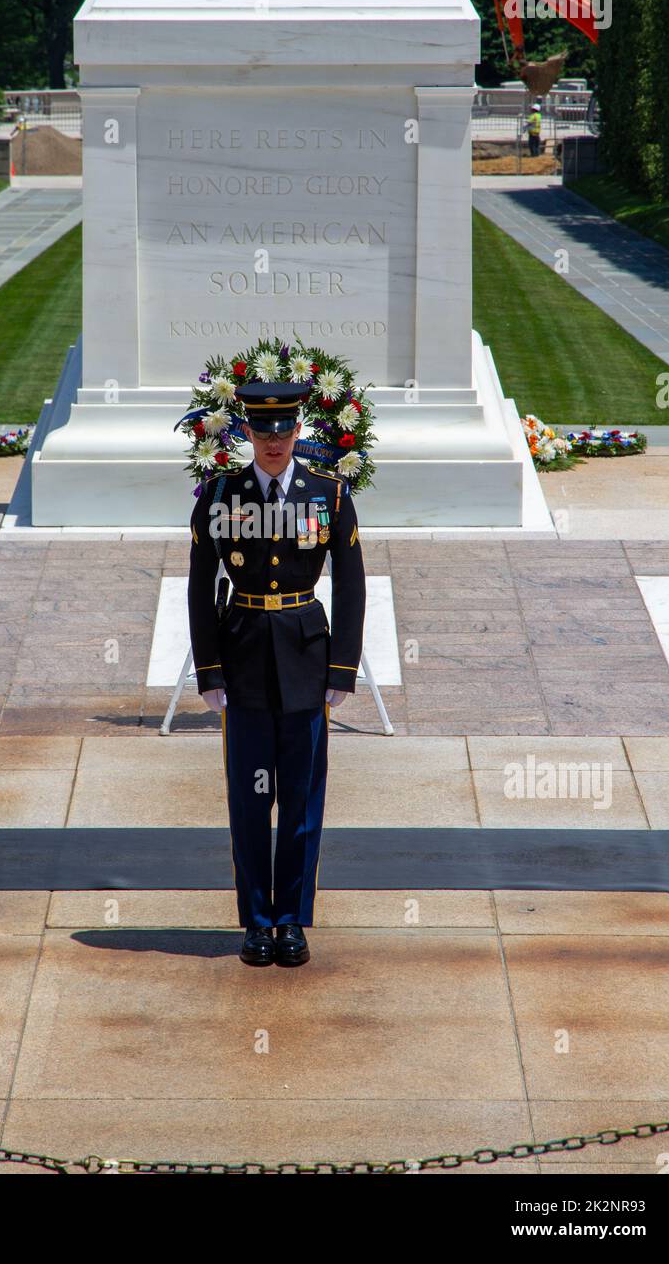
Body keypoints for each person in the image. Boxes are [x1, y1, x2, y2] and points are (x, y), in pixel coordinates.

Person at [187, 382, 366, 968]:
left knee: (300, 798)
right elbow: (199, 586)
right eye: (262, 432)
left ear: (297, 433)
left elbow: (351, 583)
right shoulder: (220, 494)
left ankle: (292, 918)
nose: (273, 442)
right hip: (241, 658)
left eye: (283, 432)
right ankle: (256, 921)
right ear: (246, 435)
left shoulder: (329, 496)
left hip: (306, 658)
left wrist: (343, 665)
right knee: (248, 798)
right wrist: (208, 669)